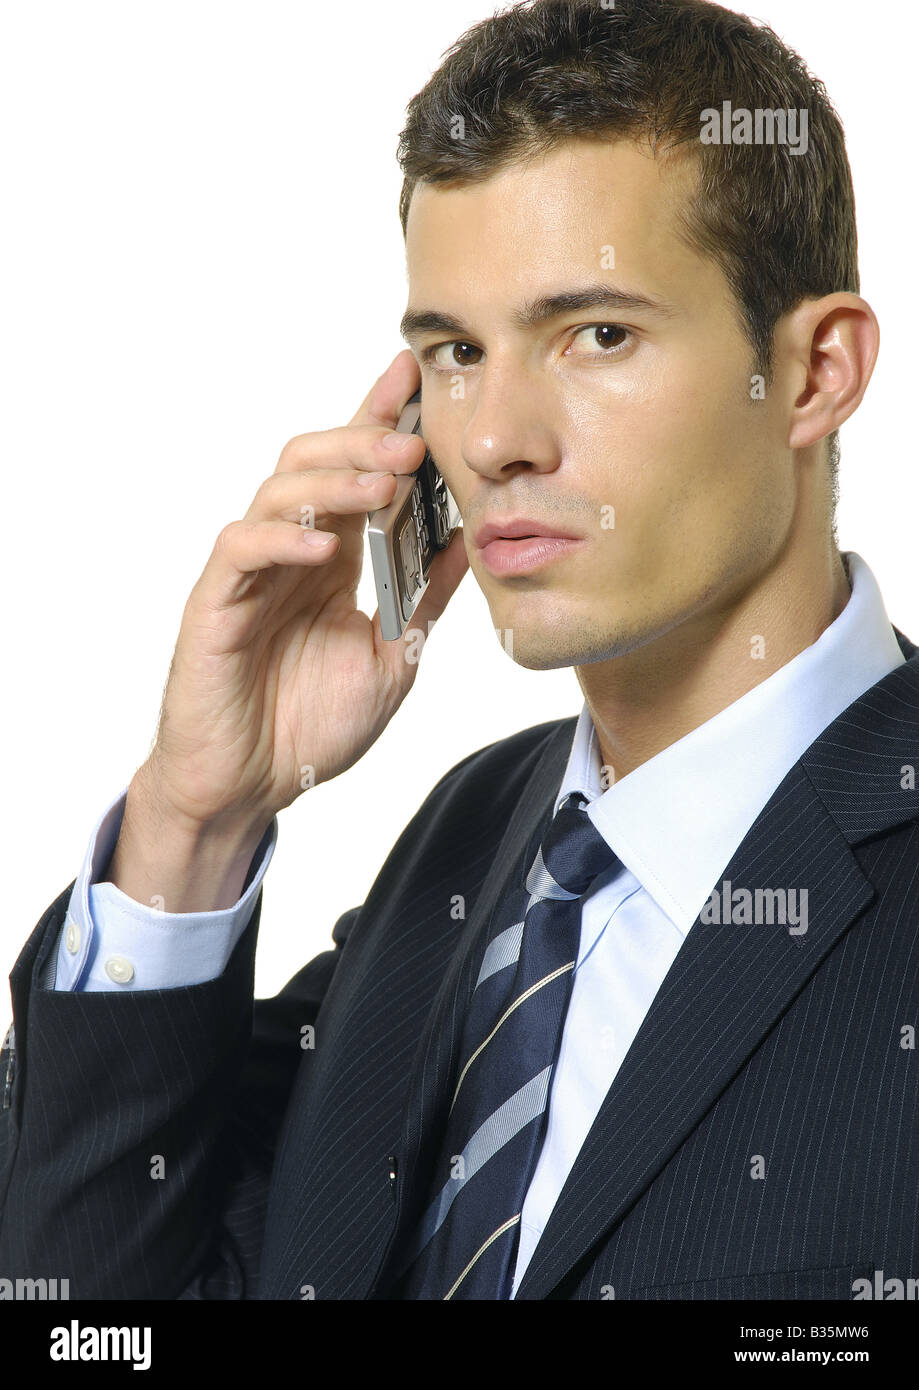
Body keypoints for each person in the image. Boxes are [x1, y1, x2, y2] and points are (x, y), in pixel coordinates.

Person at [1, 0, 916, 1301]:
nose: (493, 439)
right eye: (456, 352)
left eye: (596, 333)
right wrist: (192, 822)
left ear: (816, 371)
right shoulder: (475, 842)